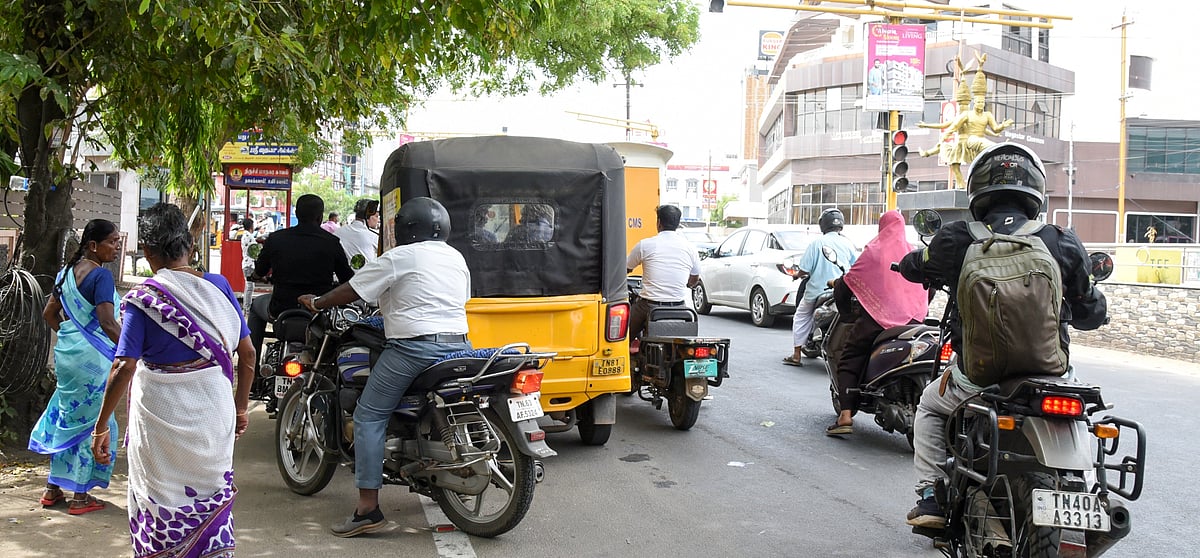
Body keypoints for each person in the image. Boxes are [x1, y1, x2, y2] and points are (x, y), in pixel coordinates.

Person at [897, 143, 1108, 529]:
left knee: (929, 406)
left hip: (977, 379)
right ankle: (1089, 498)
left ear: (978, 190)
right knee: (1078, 417)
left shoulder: (957, 239)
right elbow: (1092, 313)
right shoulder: (1062, 241)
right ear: (1035, 191)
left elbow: (917, 265)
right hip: (1050, 376)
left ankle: (931, 497)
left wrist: (912, 264)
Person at [298, 197, 471, 538]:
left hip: (414, 348)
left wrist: (317, 302)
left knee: (368, 416)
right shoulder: (456, 257)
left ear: (406, 227)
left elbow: (353, 289)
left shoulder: (399, 256)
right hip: (459, 344)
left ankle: (367, 510)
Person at [91, 203, 255, 556]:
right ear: (190, 245)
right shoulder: (219, 287)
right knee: (211, 494)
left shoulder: (144, 299)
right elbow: (248, 355)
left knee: (160, 499)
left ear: (147, 251)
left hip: (160, 423)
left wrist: (101, 427)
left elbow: (124, 366)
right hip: (214, 418)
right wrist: (241, 408)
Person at [29, 219, 122, 515]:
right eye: (112, 242)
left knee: (67, 417)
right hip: (93, 361)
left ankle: (52, 489)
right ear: (93, 246)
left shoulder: (66, 273)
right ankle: (80, 497)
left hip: (68, 358)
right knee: (92, 423)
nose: (117, 247)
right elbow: (108, 322)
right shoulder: (101, 276)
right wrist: (132, 350)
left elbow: (49, 313)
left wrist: (72, 335)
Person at [825, 211, 928, 436]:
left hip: (878, 319)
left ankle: (845, 416)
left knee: (850, 356)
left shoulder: (874, 251)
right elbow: (928, 287)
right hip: (913, 322)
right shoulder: (913, 252)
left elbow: (848, 283)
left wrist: (847, 314)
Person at [250, 194, 353, 372]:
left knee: (254, 307)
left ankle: (251, 368)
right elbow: (347, 279)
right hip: (318, 311)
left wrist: (258, 275)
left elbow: (260, 270)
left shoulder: (276, 239)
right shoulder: (331, 242)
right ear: (320, 217)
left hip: (280, 308)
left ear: (297, 214)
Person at [783, 208, 857, 367]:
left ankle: (796, 355)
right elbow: (855, 267)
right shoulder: (848, 244)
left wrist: (797, 275)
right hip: (842, 290)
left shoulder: (816, 244)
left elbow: (805, 269)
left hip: (818, 291)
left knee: (801, 316)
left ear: (823, 224)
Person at [625, 205, 702, 342]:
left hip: (648, 307)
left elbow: (626, 268)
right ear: (677, 224)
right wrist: (688, 284)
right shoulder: (690, 248)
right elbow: (694, 278)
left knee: (621, 337)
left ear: (659, 222)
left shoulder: (645, 245)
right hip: (679, 307)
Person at [334, 198, 381, 266]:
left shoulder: (338, 232)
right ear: (367, 217)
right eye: (376, 216)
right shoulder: (372, 236)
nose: (378, 220)